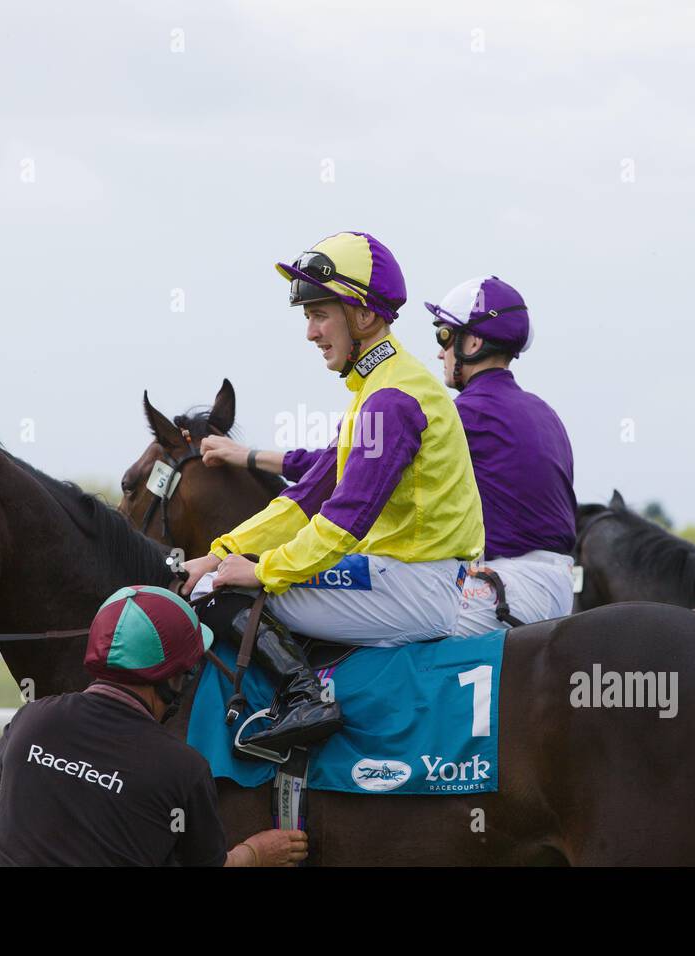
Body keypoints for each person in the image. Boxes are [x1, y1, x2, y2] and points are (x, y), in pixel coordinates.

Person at [179, 231, 485, 753]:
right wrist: (217, 552)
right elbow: (304, 498)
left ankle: (303, 699)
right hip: (407, 576)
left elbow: (344, 521)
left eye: (320, 314)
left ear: (364, 316)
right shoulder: (378, 387)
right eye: (307, 317)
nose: (311, 333)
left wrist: (258, 569)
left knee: (224, 595)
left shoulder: (391, 398)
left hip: (414, 587)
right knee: (218, 577)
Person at [0, 585, 307, 867]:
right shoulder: (184, 769)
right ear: (174, 676)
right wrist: (255, 853)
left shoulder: (30, 719)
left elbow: (11, 778)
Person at [427, 275, 577, 632]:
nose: (439, 352)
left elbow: (361, 465)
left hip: (508, 585)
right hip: (557, 586)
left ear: (473, 342)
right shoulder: (544, 410)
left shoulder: (467, 413)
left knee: (386, 629)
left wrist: (274, 460)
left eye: (444, 336)